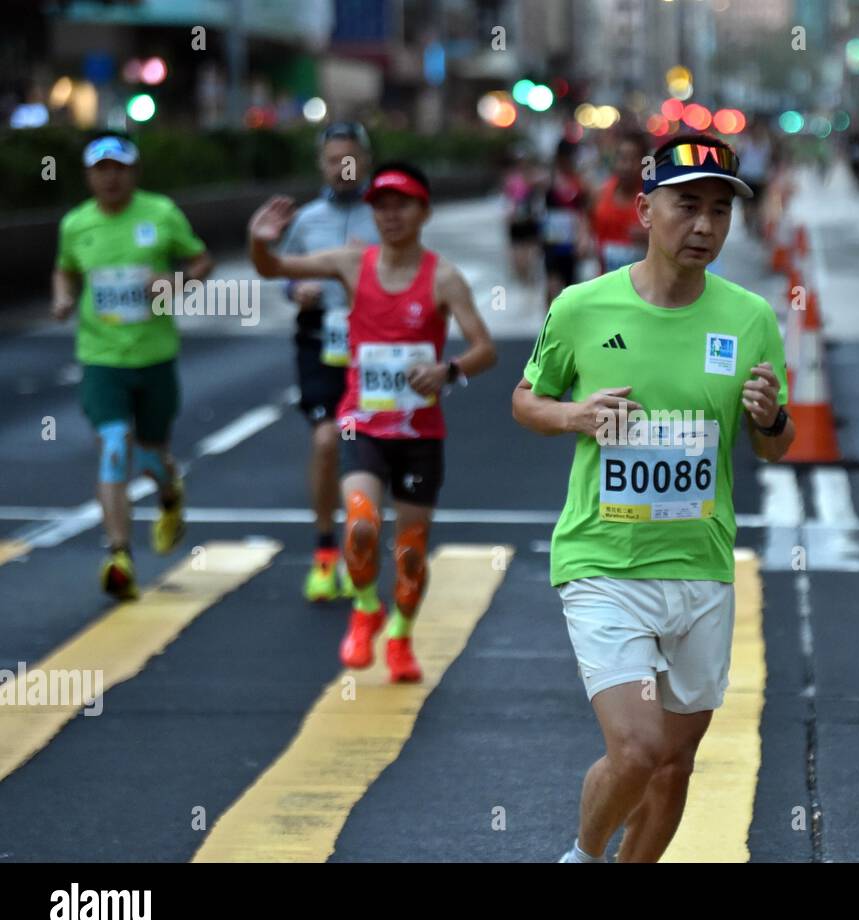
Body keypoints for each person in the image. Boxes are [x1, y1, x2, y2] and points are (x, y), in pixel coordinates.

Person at [512, 134, 795, 862]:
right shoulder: (581, 307)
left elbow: (774, 446)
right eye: (686, 206)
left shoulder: (751, 319)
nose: (704, 226)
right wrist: (574, 414)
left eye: (719, 211)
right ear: (644, 209)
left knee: (674, 763)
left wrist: (770, 420)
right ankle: (582, 853)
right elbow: (526, 400)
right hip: (603, 560)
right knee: (636, 749)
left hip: (699, 568)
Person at [248, 162, 497, 681]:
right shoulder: (351, 264)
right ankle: (365, 607)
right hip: (360, 425)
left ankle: (402, 635)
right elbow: (274, 271)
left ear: (424, 212)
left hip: (419, 434)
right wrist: (260, 243)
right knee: (361, 523)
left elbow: (485, 349)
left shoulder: (443, 277)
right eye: (380, 205)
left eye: (401, 204)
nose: (390, 215)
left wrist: (448, 370)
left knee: (409, 554)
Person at [52, 131, 214, 599]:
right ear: (88, 177)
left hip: (154, 357)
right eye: (101, 170)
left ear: (133, 173)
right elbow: (64, 267)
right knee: (114, 442)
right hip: (101, 358)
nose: (111, 178)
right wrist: (63, 296)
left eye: (119, 169)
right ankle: (118, 554)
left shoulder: (160, 213)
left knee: (151, 455)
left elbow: (202, 260)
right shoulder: (76, 224)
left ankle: (169, 493)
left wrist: (176, 281)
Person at [278, 121, 381, 602]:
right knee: (325, 440)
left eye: (351, 158)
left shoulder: (386, 216)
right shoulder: (306, 221)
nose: (342, 168)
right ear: (320, 165)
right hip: (320, 341)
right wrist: (296, 289)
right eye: (332, 160)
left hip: (375, 348)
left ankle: (363, 548)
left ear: (365, 161)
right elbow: (283, 272)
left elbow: (415, 269)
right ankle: (324, 552)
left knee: (367, 449)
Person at [589, 129, 649, 275]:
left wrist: (651, 237)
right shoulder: (600, 194)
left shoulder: (652, 198)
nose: (627, 166)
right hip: (606, 280)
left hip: (642, 287)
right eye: (622, 158)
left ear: (644, 163)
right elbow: (587, 225)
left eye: (633, 159)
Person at [541, 139, 590, 308]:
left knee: (570, 286)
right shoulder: (549, 179)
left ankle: (567, 320)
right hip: (552, 241)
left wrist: (583, 238)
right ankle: (548, 320)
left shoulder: (579, 182)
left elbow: (584, 212)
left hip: (571, 241)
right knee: (552, 283)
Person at [503, 144, 544, 284]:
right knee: (518, 251)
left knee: (530, 248)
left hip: (530, 218)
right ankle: (523, 273)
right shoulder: (511, 178)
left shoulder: (533, 176)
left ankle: (528, 272)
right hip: (516, 219)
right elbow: (507, 200)